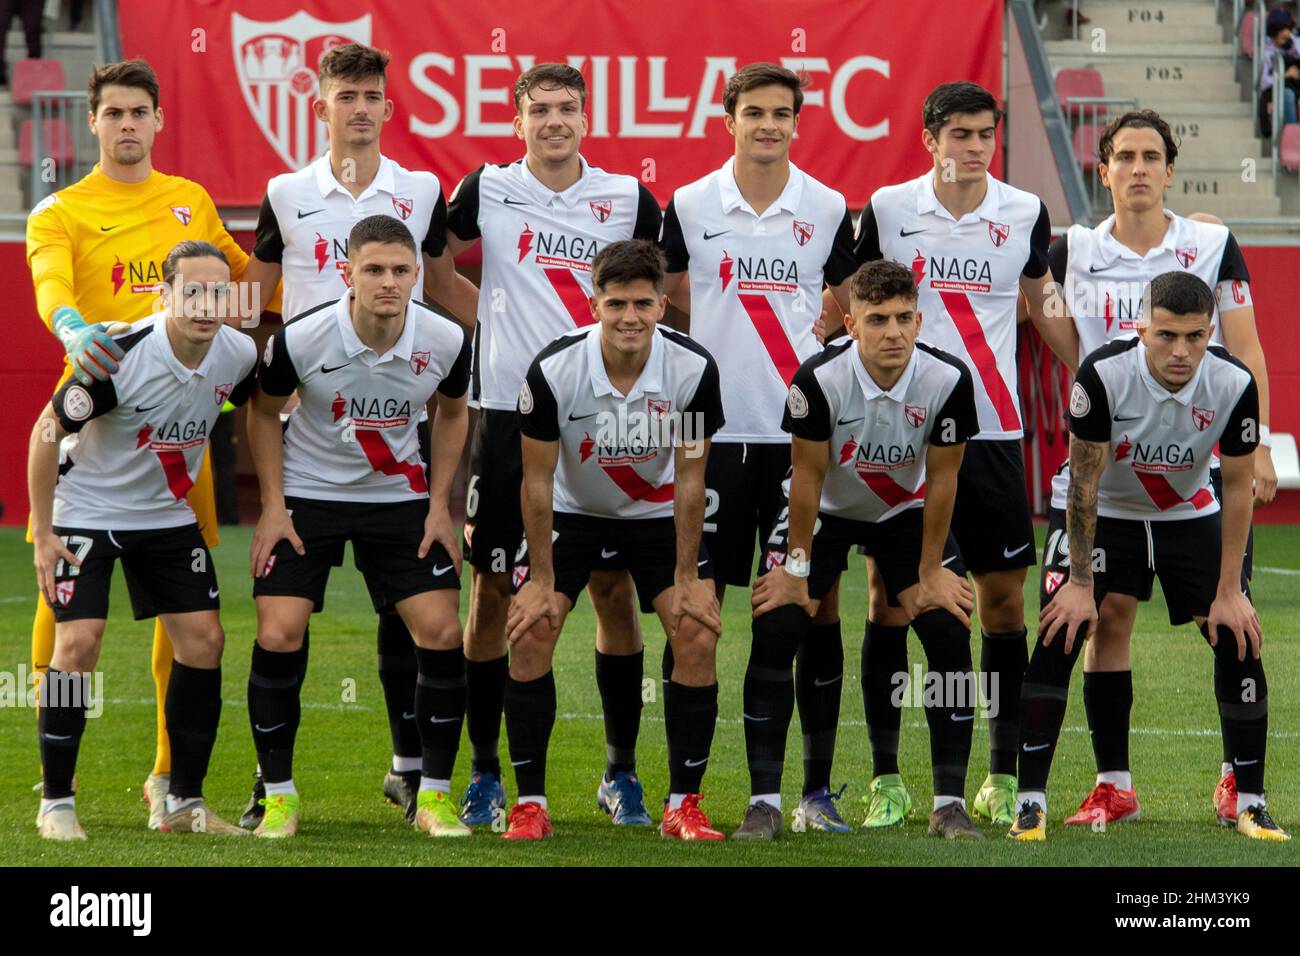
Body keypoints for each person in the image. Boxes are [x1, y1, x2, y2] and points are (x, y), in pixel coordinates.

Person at [25, 58, 259, 829]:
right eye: (113, 113)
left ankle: (171, 782)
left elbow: (241, 280)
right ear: (92, 121)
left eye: (140, 112)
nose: (128, 124)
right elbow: (51, 283)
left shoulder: (189, 202)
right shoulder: (60, 209)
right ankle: (54, 787)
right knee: (69, 631)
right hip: (95, 423)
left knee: (193, 627)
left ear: (158, 121)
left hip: (177, 435)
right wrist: (69, 328)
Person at [427, 63, 663, 827]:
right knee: (493, 594)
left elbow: (661, 292)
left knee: (612, 590)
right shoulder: (485, 188)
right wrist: (488, 322)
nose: (554, 120)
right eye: (540, 109)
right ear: (518, 118)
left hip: (604, 415)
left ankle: (620, 773)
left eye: (567, 108)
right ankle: (489, 774)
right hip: (506, 416)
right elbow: (436, 264)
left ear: (586, 117)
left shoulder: (629, 198)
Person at [237, 41, 465, 828]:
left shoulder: (424, 189)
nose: (360, 108)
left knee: (421, 620)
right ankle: (274, 789)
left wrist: (510, 342)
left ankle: (415, 773)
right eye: (347, 96)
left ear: (388, 109)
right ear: (321, 105)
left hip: (397, 430)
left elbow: (441, 289)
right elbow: (256, 297)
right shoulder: (283, 191)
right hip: (310, 424)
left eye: (373, 96)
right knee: (282, 624)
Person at [1043, 109, 1275, 828]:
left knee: (1226, 619)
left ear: (1169, 169)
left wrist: (1260, 439)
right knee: (1106, 617)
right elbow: (1052, 325)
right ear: (1102, 168)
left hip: (1192, 475)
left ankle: (1240, 782)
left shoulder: (1209, 242)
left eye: (1151, 157)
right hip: (1107, 474)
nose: (1137, 168)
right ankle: (1115, 785)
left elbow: (1244, 343)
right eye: (1123, 156)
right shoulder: (1071, 250)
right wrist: (1102, 398)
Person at [851, 81, 1070, 827]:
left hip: (994, 438)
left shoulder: (1023, 213)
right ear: (930, 140)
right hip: (899, 437)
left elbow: (1044, 304)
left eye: (985, 135)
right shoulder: (886, 210)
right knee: (891, 600)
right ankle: (887, 780)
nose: (974, 147)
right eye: (960, 134)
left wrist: (1097, 380)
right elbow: (846, 306)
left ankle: (1001, 776)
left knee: (1004, 606)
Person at [1011, 271, 1287, 843]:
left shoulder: (1233, 383)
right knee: (1063, 630)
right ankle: (1036, 802)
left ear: (1210, 332)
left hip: (1189, 513)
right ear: (1140, 329)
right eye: (1165, 335)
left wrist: (1231, 590)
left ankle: (1250, 801)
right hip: (1106, 509)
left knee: (1237, 635)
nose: (1180, 351)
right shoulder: (1103, 376)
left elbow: (1237, 488)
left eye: (1193, 336)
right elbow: (1083, 484)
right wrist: (1081, 582)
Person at [659, 62, 858, 831]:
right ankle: (687, 799)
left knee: (802, 612)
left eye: (782, 113)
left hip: (799, 443)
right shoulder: (688, 203)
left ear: (797, 123)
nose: (768, 124)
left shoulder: (830, 205)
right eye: (754, 112)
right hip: (709, 442)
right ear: (729, 119)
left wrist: (824, 325)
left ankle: (802, 795)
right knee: (697, 620)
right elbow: (666, 295)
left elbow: (854, 299)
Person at [733, 260, 984, 840]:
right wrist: (797, 571)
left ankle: (949, 804)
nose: (893, 332)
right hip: (822, 511)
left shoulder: (948, 380)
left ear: (920, 320)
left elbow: (944, 480)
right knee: (778, 622)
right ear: (851, 323)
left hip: (905, 513)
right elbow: (806, 477)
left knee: (948, 625)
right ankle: (767, 804)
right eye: (877, 320)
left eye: (903, 319)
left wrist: (929, 572)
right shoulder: (817, 379)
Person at [503, 239, 725, 840]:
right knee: (529, 629)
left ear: (662, 304)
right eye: (617, 303)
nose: (630, 317)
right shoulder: (551, 371)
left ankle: (684, 803)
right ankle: (529, 806)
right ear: (594, 301)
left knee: (697, 632)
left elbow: (691, 476)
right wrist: (542, 581)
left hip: (655, 517)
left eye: (644, 304)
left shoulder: (695, 370)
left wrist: (686, 578)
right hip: (574, 515)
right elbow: (537, 480)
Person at [1259, 7, 1300, 135]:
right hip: (1279, 88)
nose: (1286, 33)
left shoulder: (1294, 43)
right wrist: (1285, 75)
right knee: (1288, 95)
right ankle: (1293, 139)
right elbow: (1264, 82)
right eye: (1282, 30)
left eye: (1288, 29)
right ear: (1273, 33)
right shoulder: (1267, 52)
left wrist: (1291, 45)